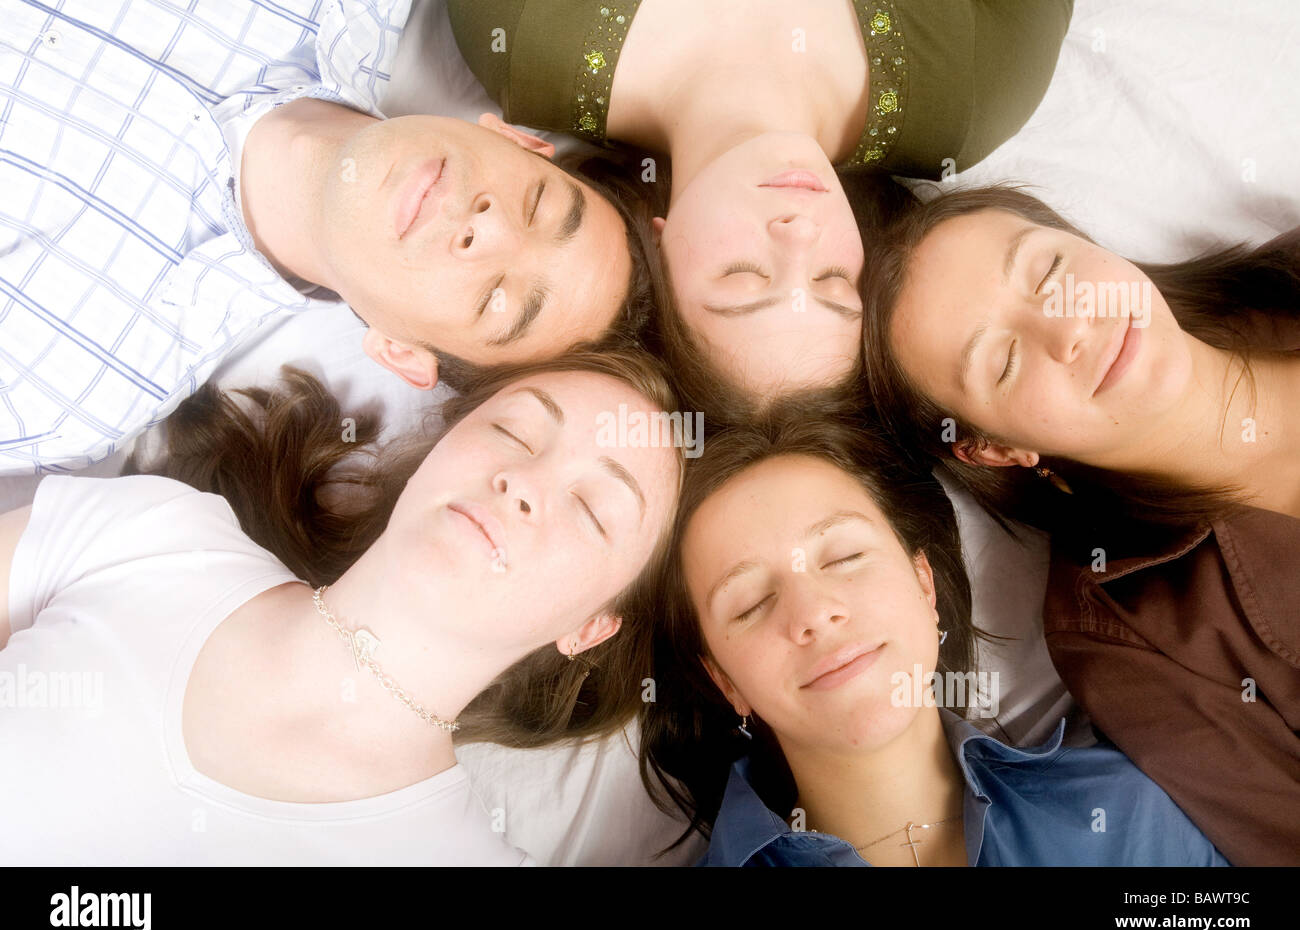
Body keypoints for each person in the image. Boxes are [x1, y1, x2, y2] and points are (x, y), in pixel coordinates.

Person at [0, 350, 683, 864]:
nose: (524, 484)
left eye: (595, 509)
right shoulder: (154, 533)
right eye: (516, 432)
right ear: (439, 446)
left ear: (588, 628)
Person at [0, 0, 648, 476]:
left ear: (400, 353)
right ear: (516, 139)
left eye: (497, 301)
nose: (489, 227)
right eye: (536, 203)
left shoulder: (69, 385)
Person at [858, 185, 1300, 865]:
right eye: (1003, 360)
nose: (1069, 329)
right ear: (997, 449)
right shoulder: (1125, 634)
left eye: (1049, 271)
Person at [639, 411, 1228, 865]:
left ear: (925, 587)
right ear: (725, 682)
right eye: (751, 604)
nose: (813, 613)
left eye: (844, 556)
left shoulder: (1122, 814)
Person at [440, 0, 1073, 410]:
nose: (799, 234)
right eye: (833, 280)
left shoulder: (519, 36)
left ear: (657, 247)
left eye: (744, 276)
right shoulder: (971, 91)